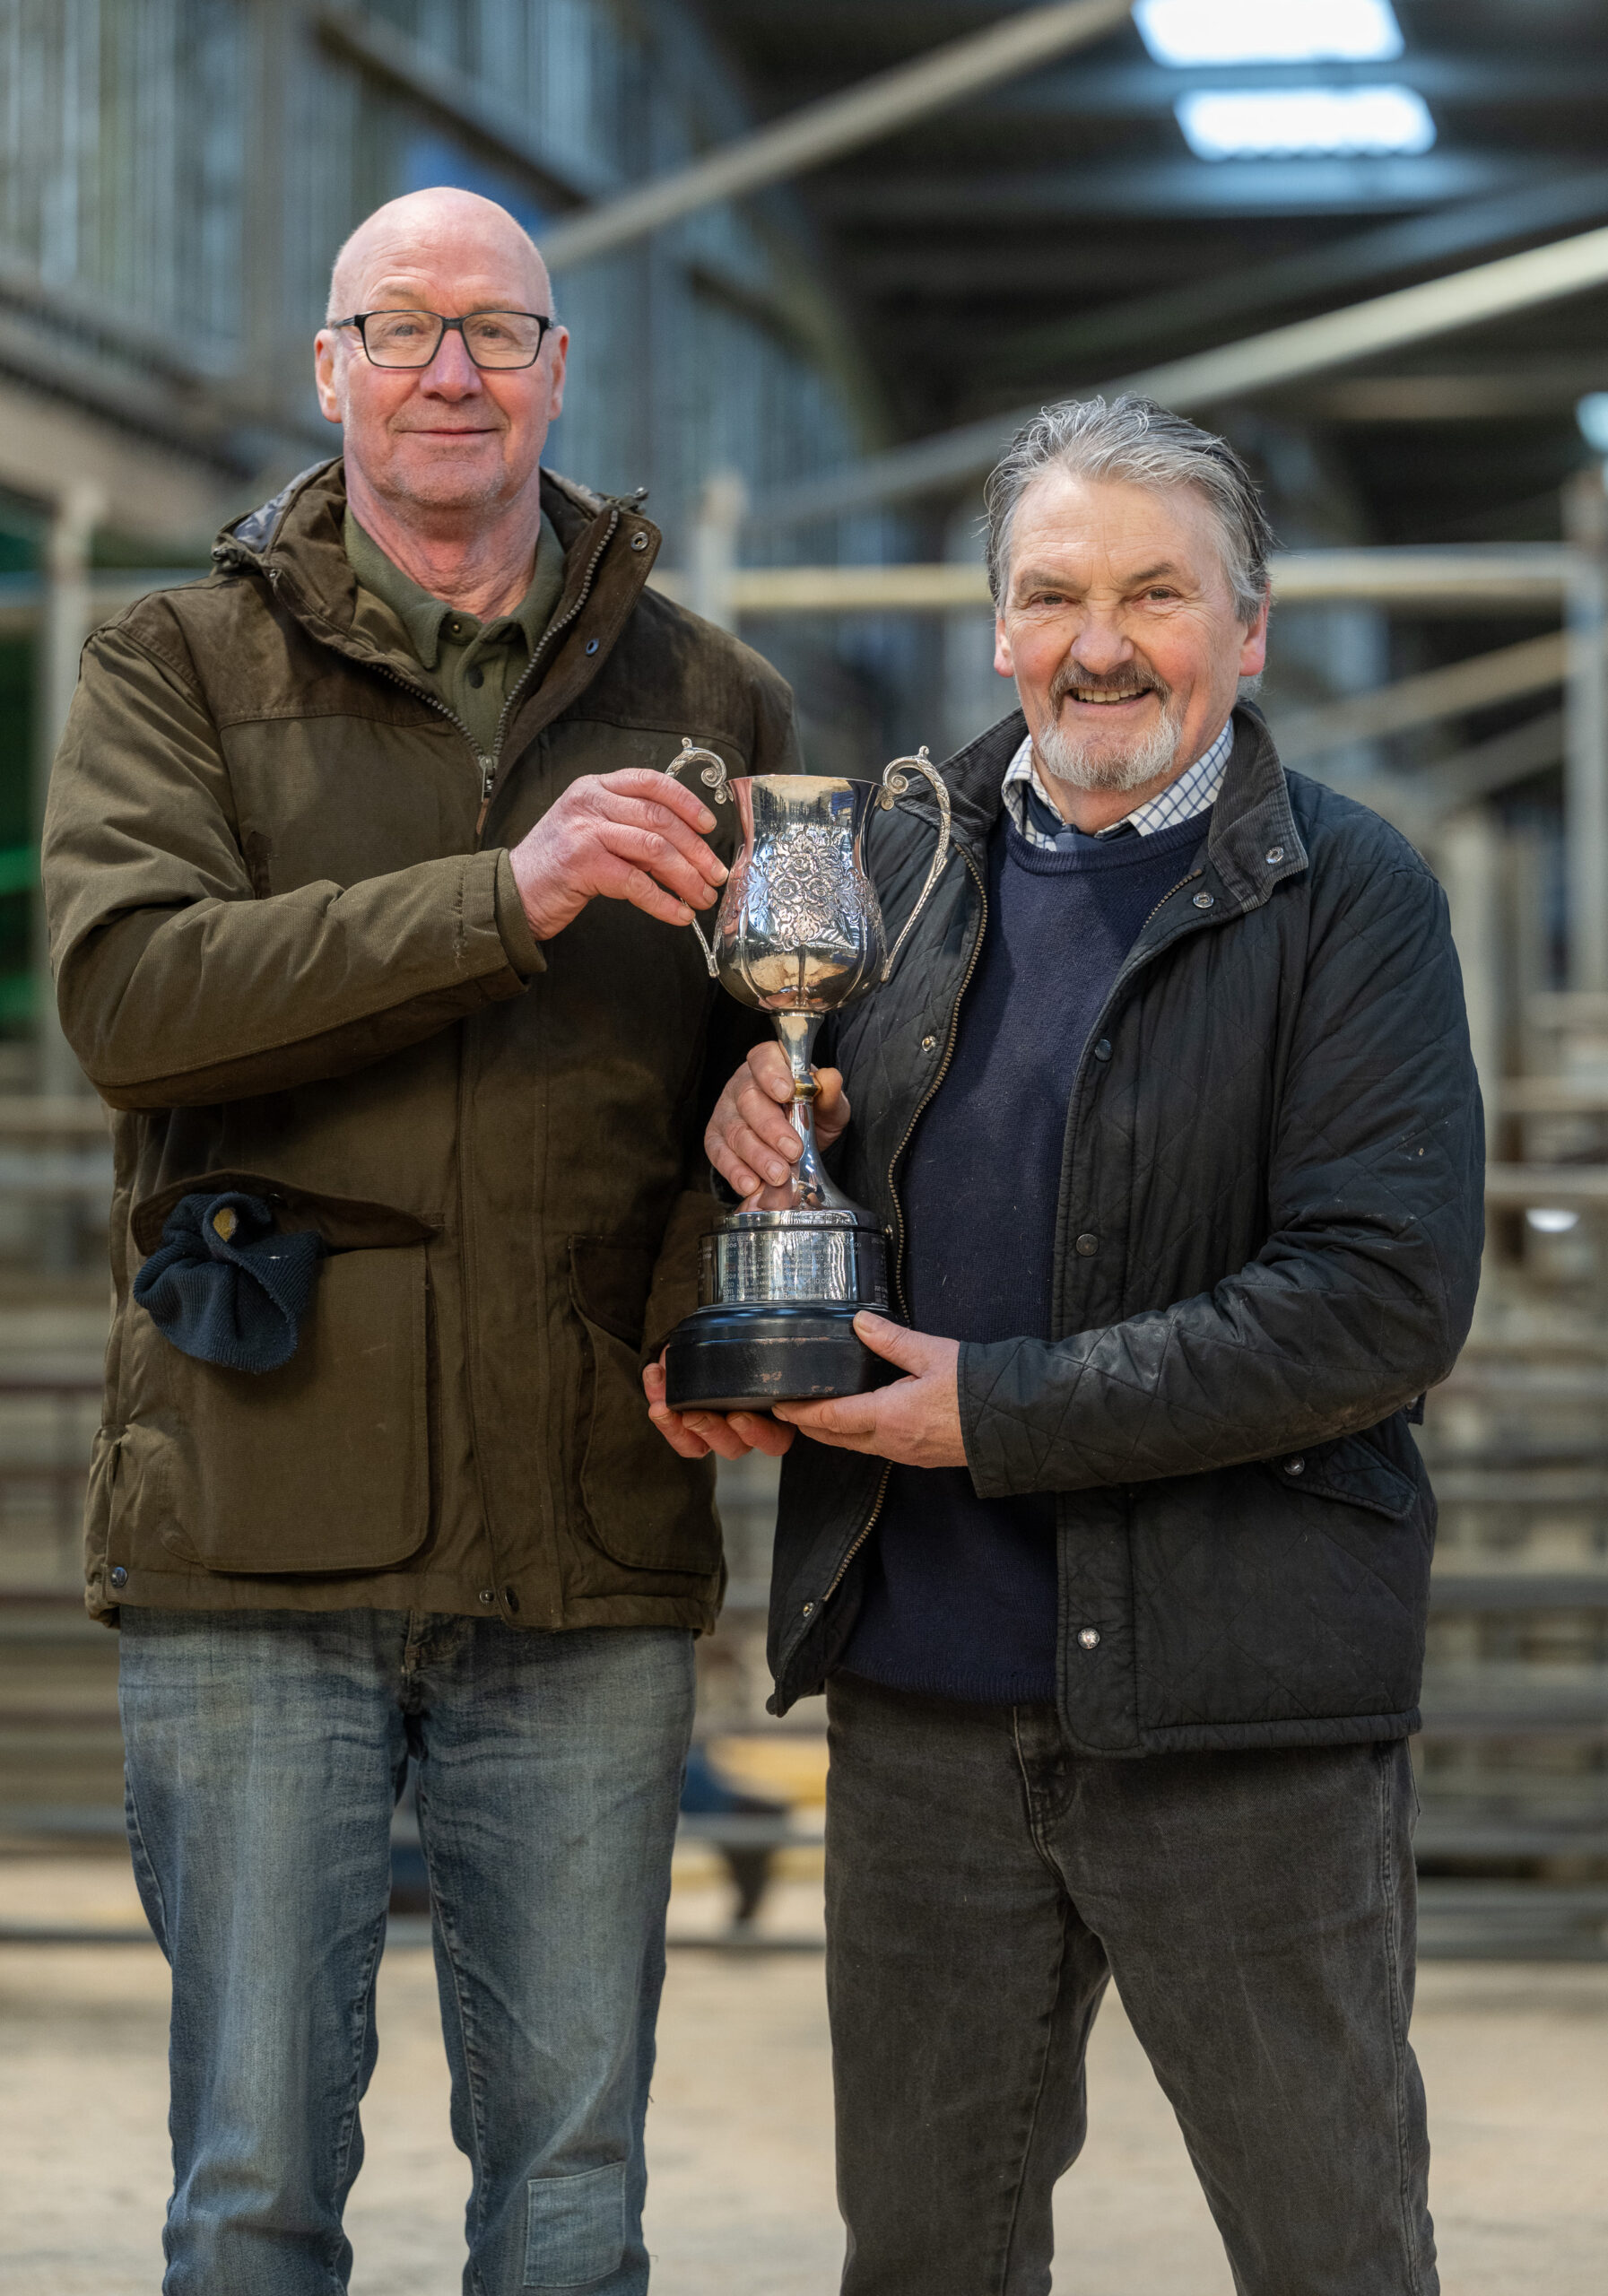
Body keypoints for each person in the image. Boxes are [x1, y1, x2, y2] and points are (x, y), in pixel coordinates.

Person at [43, 187, 799, 2295]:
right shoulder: (174, 665)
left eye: (495, 331)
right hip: (257, 1511)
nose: (448, 370)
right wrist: (509, 896)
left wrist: (695, 1311)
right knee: (257, 2185)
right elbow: (130, 998)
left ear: (562, 370)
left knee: (571, 2195)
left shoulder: (712, 694)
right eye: (400, 328)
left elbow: (758, 1090)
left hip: (583, 1529)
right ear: (328, 370)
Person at [649, 395, 1483, 2295]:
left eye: (1155, 592)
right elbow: (801, 1131)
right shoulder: (889, 871)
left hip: (1239, 1716)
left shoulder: (1350, 898)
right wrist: (748, 1132)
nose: (1100, 640)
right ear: (998, 626)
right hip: (926, 1704)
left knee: (1332, 2245)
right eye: (1053, 592)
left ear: (1247, 629)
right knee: (929, 2257)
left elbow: (1374, 1302)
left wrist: (992, 1413)